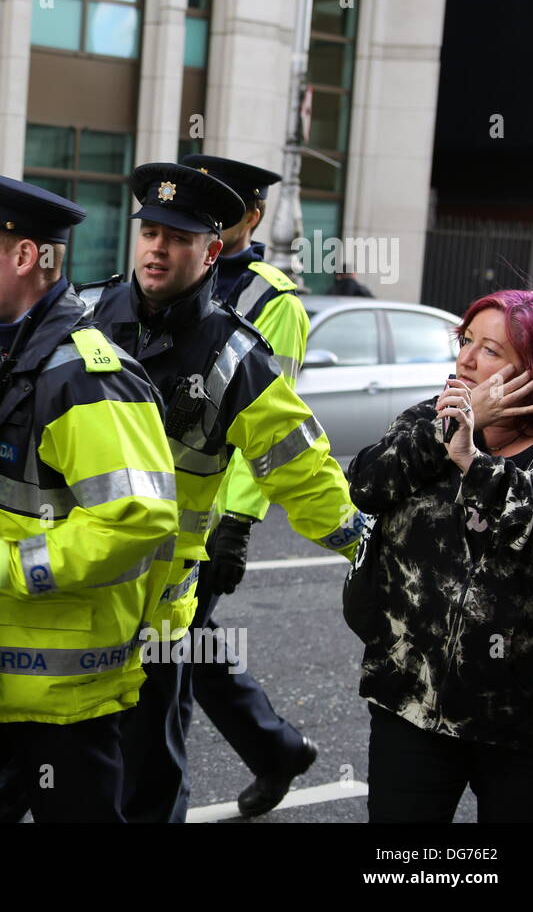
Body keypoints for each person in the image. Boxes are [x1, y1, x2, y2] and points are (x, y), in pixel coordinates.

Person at [79, 163, 364, 821]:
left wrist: (356, 541)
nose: (156, 247)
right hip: (70, 587)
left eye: (176, 237)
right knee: (51, 771)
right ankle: (275, 750)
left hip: (157, 598)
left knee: (150, 769)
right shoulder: (84, 316)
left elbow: (292, 454)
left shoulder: (239, 346)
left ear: (213, 248)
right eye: (149, 231)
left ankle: (273, 751)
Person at [0, 167, 180, 823]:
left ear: (28, 256)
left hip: (63, 689)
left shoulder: (86, 376)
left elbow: (136, 521)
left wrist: (4, 564)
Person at [347, 289, 533, 822]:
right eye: (465, 341)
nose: (465, 358)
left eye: (491, 350)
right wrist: (444, 435)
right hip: (411, 697)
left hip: (523, 719)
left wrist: (472, 461)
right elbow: (365, 484)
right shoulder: (428, 418)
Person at [178, 154, 319, 816]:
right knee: (183, 642)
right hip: (148, 502)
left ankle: (161, 792)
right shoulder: (170, 274)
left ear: (252, 218)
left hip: (207, 518)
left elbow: (270, 422)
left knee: (169, 649)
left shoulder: (273, 300)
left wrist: (236, 523)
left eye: (222, 206)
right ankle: (275, 749)